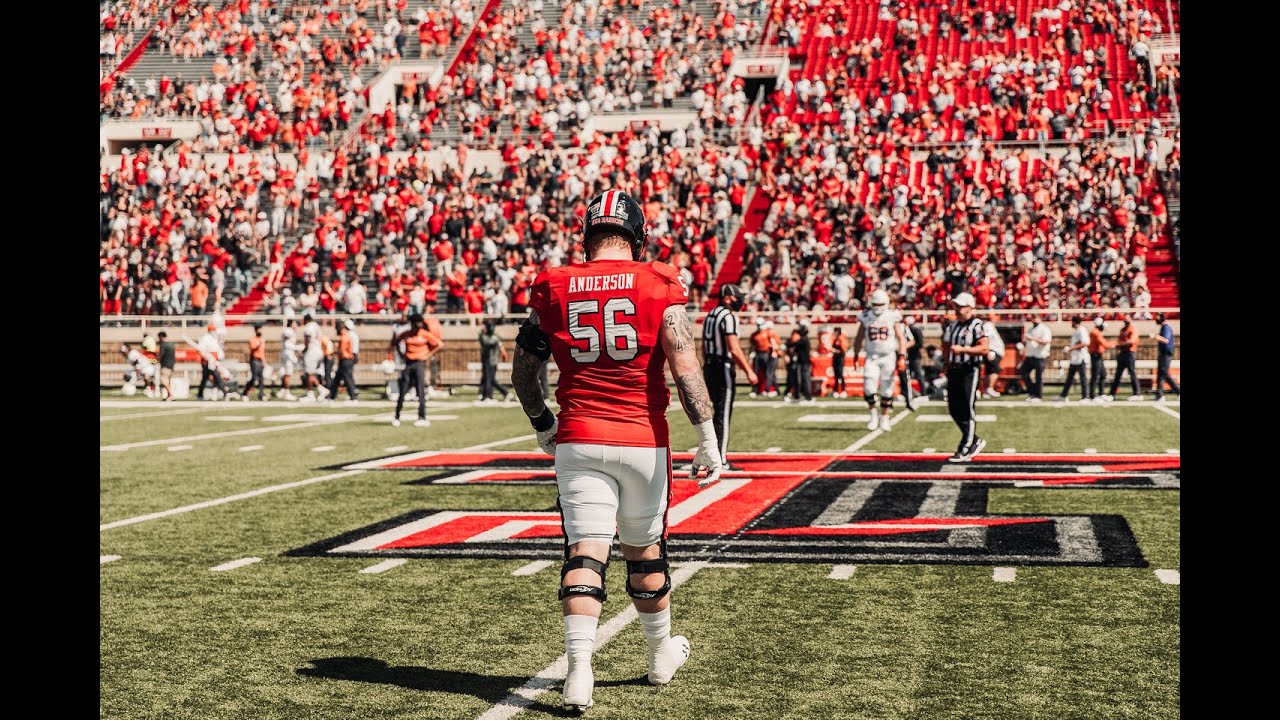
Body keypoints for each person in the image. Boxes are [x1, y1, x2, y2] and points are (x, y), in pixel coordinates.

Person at [508, 189, 720, 712]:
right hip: (643, 439)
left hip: (579, 437)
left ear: (587, 235)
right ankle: (657, 658)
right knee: (645, 550)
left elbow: (523, 374)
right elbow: (686, 368)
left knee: (585, 552)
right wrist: (709, 438)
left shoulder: (554, 285)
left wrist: (542, 424)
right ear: (637, 235)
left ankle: (579, 670)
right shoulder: (657, 281)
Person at [701, 284, 757, 467]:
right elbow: (734, 348)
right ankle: (721, 459)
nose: (739, 301)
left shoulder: (710, 316)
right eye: (736, 297)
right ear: (727, 298)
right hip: (722, 367)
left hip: (709, 366)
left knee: (715, 413)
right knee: (722, 415)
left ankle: (711, 455)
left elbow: (703, 346)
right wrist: (749, 371)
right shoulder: (728, 317)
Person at [940, 293, 988, 463]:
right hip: (954, 369)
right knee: (954, 409)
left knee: (967, 408)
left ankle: (965, 447)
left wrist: (964, 350)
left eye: (961, 306)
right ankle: (974, 439)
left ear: (970, 308)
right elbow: (945, 345)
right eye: (956, 306)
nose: (958, 310)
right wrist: (946, 362)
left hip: (969, 369)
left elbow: (984, 348)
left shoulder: (976, 325)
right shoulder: (952, 326)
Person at [852, 290, 906, 430]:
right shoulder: (865, 316)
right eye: (876, 304)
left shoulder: (892, 315)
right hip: (871, 356)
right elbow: (859, 338)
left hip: (888, 356)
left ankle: (885, 418)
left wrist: (902, 356)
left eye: (880, 304)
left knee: (887, 389)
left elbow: (901, 337)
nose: (878, 307)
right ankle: (873, 414)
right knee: (868, 387)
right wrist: (856, 355)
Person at [389, 313, 442, 426]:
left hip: (419, 364)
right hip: (408, 364)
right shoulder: (406, 334)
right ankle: (397, 416)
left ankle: (422, 416)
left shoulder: (424, 334)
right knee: (403, 390)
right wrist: (401, 354)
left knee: (420, 390)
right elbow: (396, 342)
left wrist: (428, 355)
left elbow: (439, 344)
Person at [1107, 317, 1142, 401]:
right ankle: (1112, 394)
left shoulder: (1132, 329)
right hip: (1122, 353)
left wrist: (1119, 345)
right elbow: (1120, 340)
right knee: (1118, 374)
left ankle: (1137, 393)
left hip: (1130, 353)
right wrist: (1117, 344)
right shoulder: (1122, 329)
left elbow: (1131, 341)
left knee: (1132, 373)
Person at [1058, 316, 1090, 402]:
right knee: (1069, 378)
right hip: (1075, 358)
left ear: (1075, 322)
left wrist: (1070, 348)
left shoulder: (1082, 330)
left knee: (1083, 378)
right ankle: (1063, 396)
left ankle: (1085, 397)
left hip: (1081, 358)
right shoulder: (1078, 331)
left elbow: (1085, 343)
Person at [477, 319, 511, 402]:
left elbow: (490, 343)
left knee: (490, 379)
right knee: (487, 378)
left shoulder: (493, 337)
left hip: (491, 360)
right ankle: (485, 395)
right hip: (486, 360)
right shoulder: (486, 336)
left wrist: (504, 354)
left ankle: (501, 393)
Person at [1019, 317, 1052, 402]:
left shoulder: (1044, 329)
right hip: (1030, 355)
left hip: (1040, 356)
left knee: (1038, 377)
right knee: (1023, 372)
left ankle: (1038, 396)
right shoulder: (1031, 328)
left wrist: (1032, 338)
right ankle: (1032, 392)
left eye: (1035, 318)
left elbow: (1046, 341)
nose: (1033, 320)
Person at [195, 322, 229, 400]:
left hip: (213, 361)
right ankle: (225, 392)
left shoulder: (213, 338)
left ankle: (200, 394)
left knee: (205, 378)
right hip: (207, 362)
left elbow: (216, 350)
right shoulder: (205, 338)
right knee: (216, 376)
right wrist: (208, 358)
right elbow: (200, 350)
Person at [327, 320, 360, 401]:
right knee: (337, 378)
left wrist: (332, 351)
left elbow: (342, 350)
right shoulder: (347, 336)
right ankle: (332, 396)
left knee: (347, 378)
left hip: (346, 360)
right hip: (345, 359)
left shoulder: (344, 337)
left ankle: (352, 396)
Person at [1151, 312, 1180, 401]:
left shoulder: (1166, 327)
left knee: (1164, 373)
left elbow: (1166, 340)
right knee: (1161, 373)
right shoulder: (1163, 327)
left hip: (1166, 354)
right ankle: (1159, 395)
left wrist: (1156, 337)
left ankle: (1178, 391)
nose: (1156, 319)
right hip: (1162, 354)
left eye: (1158, 317)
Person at [300, 313, 328, 401]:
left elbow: (307, 339)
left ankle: (310, 393)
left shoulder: (308, 327)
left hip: (312, 352)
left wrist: (304, 350)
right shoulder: (316, 326)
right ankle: (321, 389)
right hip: (318, 351)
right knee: (311, 373)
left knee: (308, 373)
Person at [784, 320, 814, 403]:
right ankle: (797, 396)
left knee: (805, 379)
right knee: (798, 379)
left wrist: (786, 345)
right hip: (801, 362)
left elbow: (794, 344)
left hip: (804, 362)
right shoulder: (803, 339)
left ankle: (808, 397)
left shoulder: (804, 339)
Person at [901, 314, 926, 408]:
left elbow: (919, 344)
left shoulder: (915, 330)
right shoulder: (906, 330)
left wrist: (908, 347)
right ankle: (906, 393)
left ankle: (923, 393)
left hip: (915, 356)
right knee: (906, 376)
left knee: (918, 374)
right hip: (908, 356)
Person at [1088, 316, 1113, 403]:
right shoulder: (1095, 333)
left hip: (1098, 356)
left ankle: (1101, 393)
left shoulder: (1096, 332)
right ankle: (1092, 396)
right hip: (1095, 356)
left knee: (1103, 374)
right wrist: (1114, 344)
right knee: (1095, 376)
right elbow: (1104, 344)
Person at [981, 313, 1005, 399]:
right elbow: (986, 339)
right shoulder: (987, 326)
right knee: (993, 370)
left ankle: (988, 389)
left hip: (993, 350)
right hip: (993, 350)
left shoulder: (988, 326)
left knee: (991, 370)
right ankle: (989, 388)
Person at [278, 318, 302, 401]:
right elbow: (287, 344)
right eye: (295, 323)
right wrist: (298, 347)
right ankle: (287, 392)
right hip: (288, 354)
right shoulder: (289, 331)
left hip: (287, 353)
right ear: (291, 324)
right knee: (288, 373)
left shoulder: (290, 331)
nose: (296, 325)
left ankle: (283, 390)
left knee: (285, 373)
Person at [748, 318, 772, 398]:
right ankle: (755, 390)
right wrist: (751, 354)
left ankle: (766, 389)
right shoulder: (754, 335)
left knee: (766, 373)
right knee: (756, 372)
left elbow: (771, 343)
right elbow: (752, 346)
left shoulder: (767, 333)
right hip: (758, 354)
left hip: (766, 353)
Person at [243, 324, 267, 401]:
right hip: (254, 360)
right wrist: (259, 343)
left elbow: (262, 352)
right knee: (253, 378)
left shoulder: (262, 339)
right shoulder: (253, 340)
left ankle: (261, 394)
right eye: (259, 329)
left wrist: (264, 362)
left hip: (260, 360)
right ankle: (245, 392)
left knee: (261, 379)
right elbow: (253, 349)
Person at [156, 331, 176, 401]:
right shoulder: (171, 344)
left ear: (161, 337)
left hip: (165, 365)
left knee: (164, 381)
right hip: (171, 365)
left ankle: (171, 395)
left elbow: (161, 356)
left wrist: (155, 359)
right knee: (168, 381)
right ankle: (168, 396)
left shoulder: (163, 345)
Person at [830, 326, 849, 398]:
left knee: (840, 374)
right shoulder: (835, 339)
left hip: (840, 358)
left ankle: (843, 390)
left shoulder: (841, 338)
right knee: (836, 375)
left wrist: (836, 351)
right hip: (835, 358)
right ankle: (836, 390)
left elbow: (844, 349)